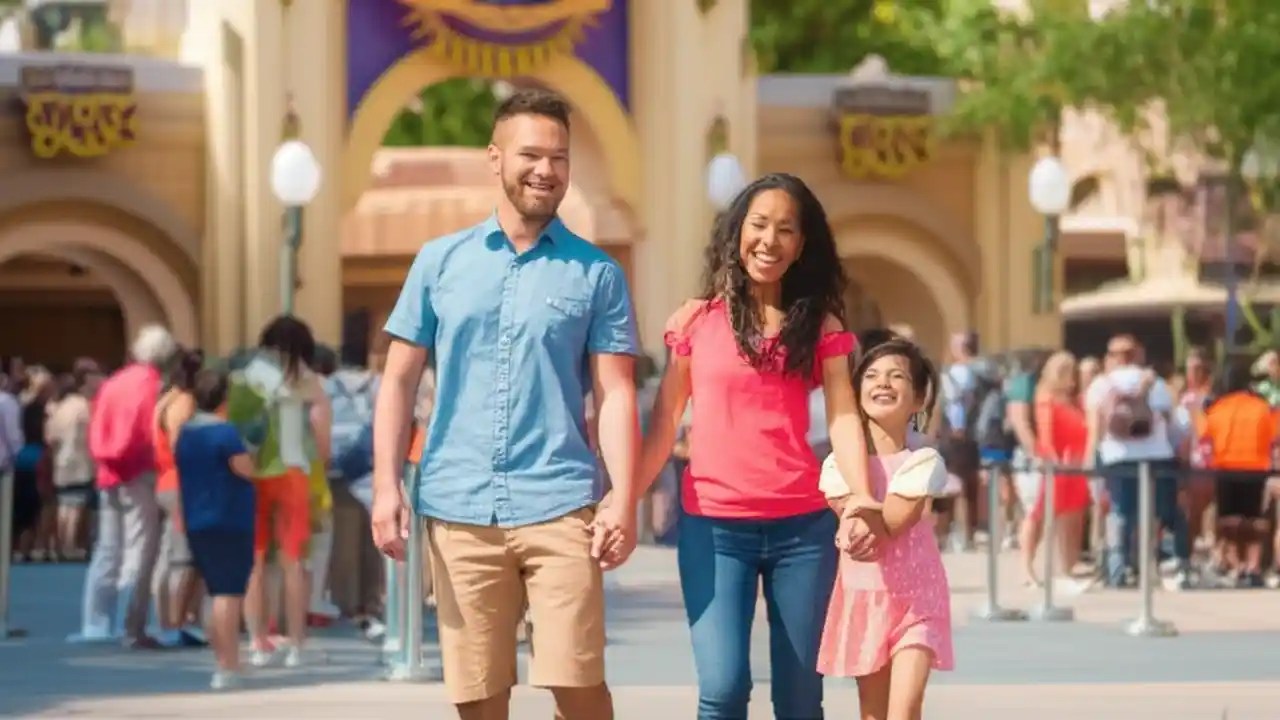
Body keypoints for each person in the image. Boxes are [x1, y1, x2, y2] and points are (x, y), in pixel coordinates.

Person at [371, 88, 640, 720]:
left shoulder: (597, 273)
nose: (546, 170)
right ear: (495, 159)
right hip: (458, 505)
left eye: (560, 157)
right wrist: (387, 486)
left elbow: (616, 391)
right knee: (479, 696)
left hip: (560, 502)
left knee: (578, 683)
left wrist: (623, 496)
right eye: (531, 154)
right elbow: (399, 381)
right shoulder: (440, 262)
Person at [635, 173, 869, 719]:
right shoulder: (696, 322)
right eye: (759, 225)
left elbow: (843, 417)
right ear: (736, 231)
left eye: (786, 229)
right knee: (722, 689)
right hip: (715, 528)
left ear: (802, 245)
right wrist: (624, 500)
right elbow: (667, 417)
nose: (769, 240)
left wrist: (860, 499)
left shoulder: (821, 325)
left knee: (799, 700)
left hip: (804, 532)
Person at [817, 336, 954, 718]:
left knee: (905, 709)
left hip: (917, 602)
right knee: (872, 713)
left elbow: (890, 523)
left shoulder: (924, 461)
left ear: (918, 399)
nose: (883, 383)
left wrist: (860, 507)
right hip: (865, 599)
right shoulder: (836, 465)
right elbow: (852, 521)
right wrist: (856, 508)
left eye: (897, 377)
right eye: (873, 375)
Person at [228, 316, 331, 668]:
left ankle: (258, 642)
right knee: (293, 561)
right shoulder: (304, 377)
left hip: (253, 474)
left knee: (254, 561)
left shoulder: (248, 373)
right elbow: (320, 431)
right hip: (293, 472)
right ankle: (296, 644)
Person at [72, 324, 175, 648]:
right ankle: (132, 626)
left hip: (108, 471)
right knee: (140, 550)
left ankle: (95, 622)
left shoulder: (114, 382)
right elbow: (149, 433)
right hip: (139, 471)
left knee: (107, 548)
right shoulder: (154, 385)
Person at [174, 368, 257, 690]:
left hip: (197, 519)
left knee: (214, 592)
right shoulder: (225, 433)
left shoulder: (186, 433)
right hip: (229, 519)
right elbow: (245, 469)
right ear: (224, 398)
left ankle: (224, 660)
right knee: (228, 593)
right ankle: (228, 665)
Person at [1084, 334, 1187, 588]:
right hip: (1156, 456)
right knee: (1153, 515)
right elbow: (1172, 422)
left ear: (1113, 357)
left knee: (1120, 514)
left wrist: (1090, 460)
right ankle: (1150, 568)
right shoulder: (1156, 383)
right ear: (1137, 355)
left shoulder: (1101, 384)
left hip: (1118, 457)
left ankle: (1117, 571)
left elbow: (1095, 427)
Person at [1199, 358, 1276, 586]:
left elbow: (1204, 438)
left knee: (1229, 520)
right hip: (1255, 468)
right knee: (1254, 518)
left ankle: (1237, 566)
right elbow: (1274, 437)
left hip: (1225, 468)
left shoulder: (1216, 409)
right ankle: (1253, 567)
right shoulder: (1262, 407)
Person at [151, 348, 207, 648]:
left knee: (170, 554)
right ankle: (176, 621)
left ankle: (170, 619)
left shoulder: (164, 400)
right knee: (185, 558)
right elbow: (180, 445)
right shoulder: (184, 401)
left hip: (165, 480)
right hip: (181, 482)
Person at [1021, 351, 1091, 587]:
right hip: (1055, 466)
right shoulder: (1046, 397)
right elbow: (1046, 433)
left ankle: (1068, 567)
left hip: (1075, 466)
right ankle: (1027, 567)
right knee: (1040, 515)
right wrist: (1054, 459)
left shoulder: (1075, 400)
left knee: (1073, 516)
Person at [45, 367, 99, 560]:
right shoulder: (83, 406)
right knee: (77, 505)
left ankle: (59, 544)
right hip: (79, 460)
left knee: (64, 504)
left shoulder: (57, 408)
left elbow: (50, 438)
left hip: (61, 461)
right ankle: (71, 545)